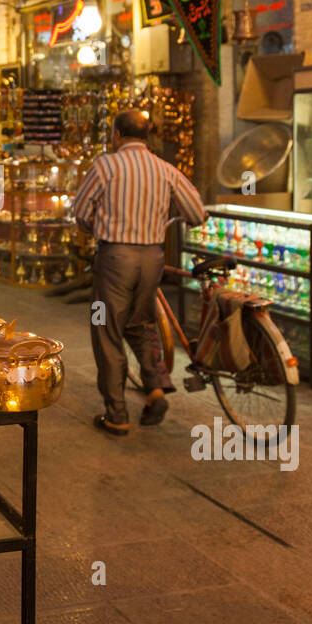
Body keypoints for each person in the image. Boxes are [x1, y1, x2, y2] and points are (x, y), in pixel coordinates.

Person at [72, 108, 205, 436]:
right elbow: (197, 214)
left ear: (117, 135)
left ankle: (117, 414)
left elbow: (79, 211)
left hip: (114, 259)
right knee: (141, 323)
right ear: (148, 137)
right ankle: (156, 389)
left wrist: (97, 228)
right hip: (152, 260)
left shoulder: (107, 166)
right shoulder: (165, 170)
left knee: (106, 329)